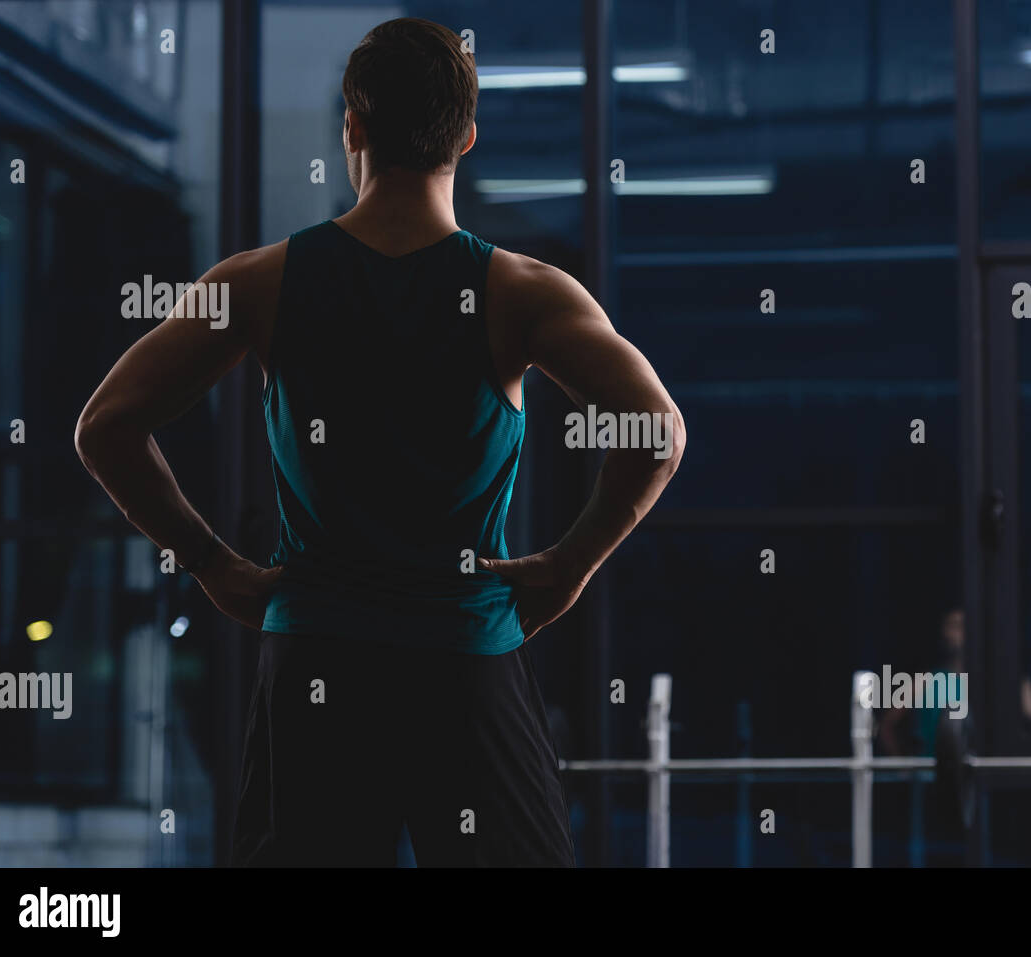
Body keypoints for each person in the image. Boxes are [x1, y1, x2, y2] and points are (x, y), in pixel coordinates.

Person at [74, 17, 685, 866]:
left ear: (352, 126)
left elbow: (105, 427)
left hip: (318, 659)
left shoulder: (259, 283)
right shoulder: (522, 292)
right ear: (467, 136)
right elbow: (657, 431)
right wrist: (571, 561)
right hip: (464, 663)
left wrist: (210, 560)